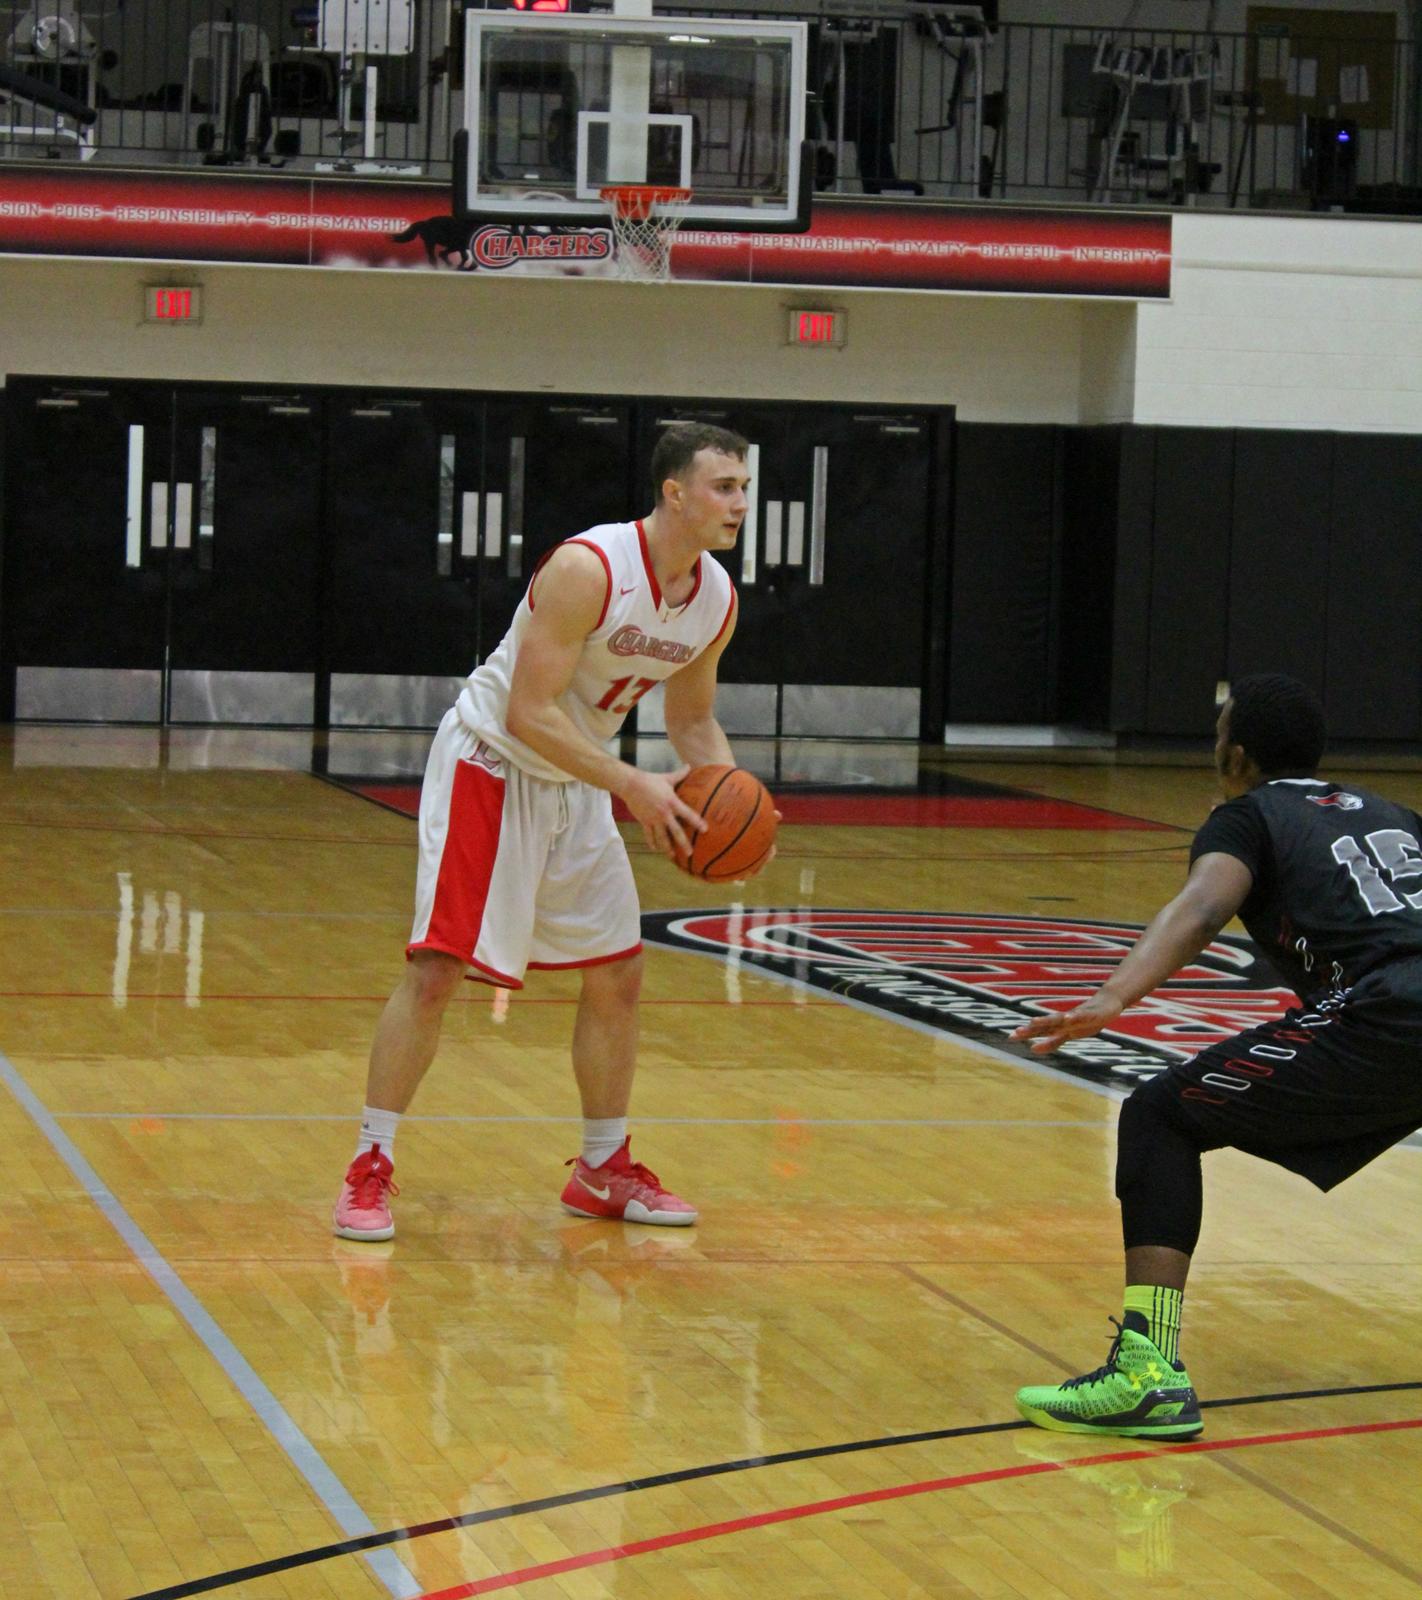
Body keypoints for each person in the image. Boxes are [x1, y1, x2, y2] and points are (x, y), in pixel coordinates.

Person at [334, 423, 758, 1242]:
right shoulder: (587, 568)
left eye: (743, 487)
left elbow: (693, 718)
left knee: (618, 973)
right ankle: (367, 1167)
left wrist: (728, 800)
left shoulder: (715, 600)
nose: (739, 503)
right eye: (723, 487)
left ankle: (603, 1170)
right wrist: (634, 783)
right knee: (437, 971)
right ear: (675, 494)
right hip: (492, 763)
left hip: (580, 779)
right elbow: (529, 715)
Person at [1011, 673, 1422, 1439]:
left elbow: (1202, 908)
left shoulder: (1248, 817)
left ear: (1235, 754)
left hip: (1388, 1010)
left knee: (1159, 1116)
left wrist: (1113, 996)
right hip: (1398, 999)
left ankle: (1147, 1372)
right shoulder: (1392, 812)